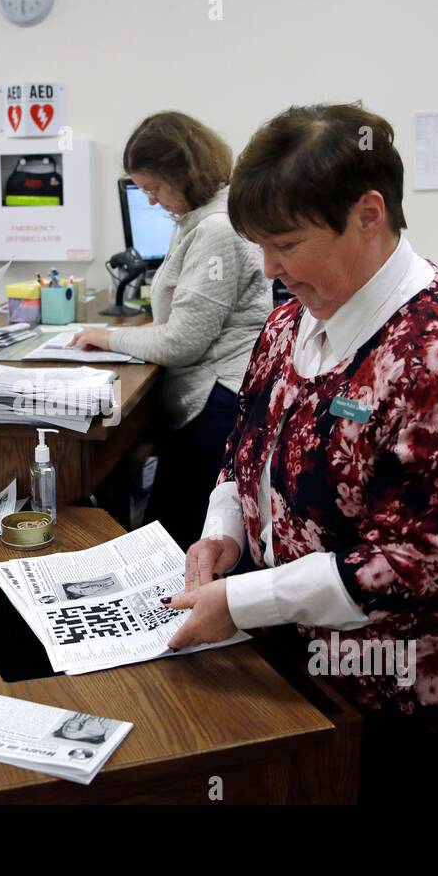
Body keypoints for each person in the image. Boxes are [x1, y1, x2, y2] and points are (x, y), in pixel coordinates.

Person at [166, 103, 438, 804]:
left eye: (285, 243)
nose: (271, 269)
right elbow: (248, 440)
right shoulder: (293, 320)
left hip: (425, 696)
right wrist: (222, 529)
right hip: (313, 664)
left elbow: (412, 566)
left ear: (369, 215)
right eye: (260, 245)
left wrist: (244, 599)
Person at [70, 112, 272, 549]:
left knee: (182, 537)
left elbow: (181, 341)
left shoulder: (216, 229)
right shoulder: (199, 221)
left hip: (215, 402)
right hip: (211, 395)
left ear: (187, 173)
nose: (154, 200)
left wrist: (104, 336)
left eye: (156, 188)